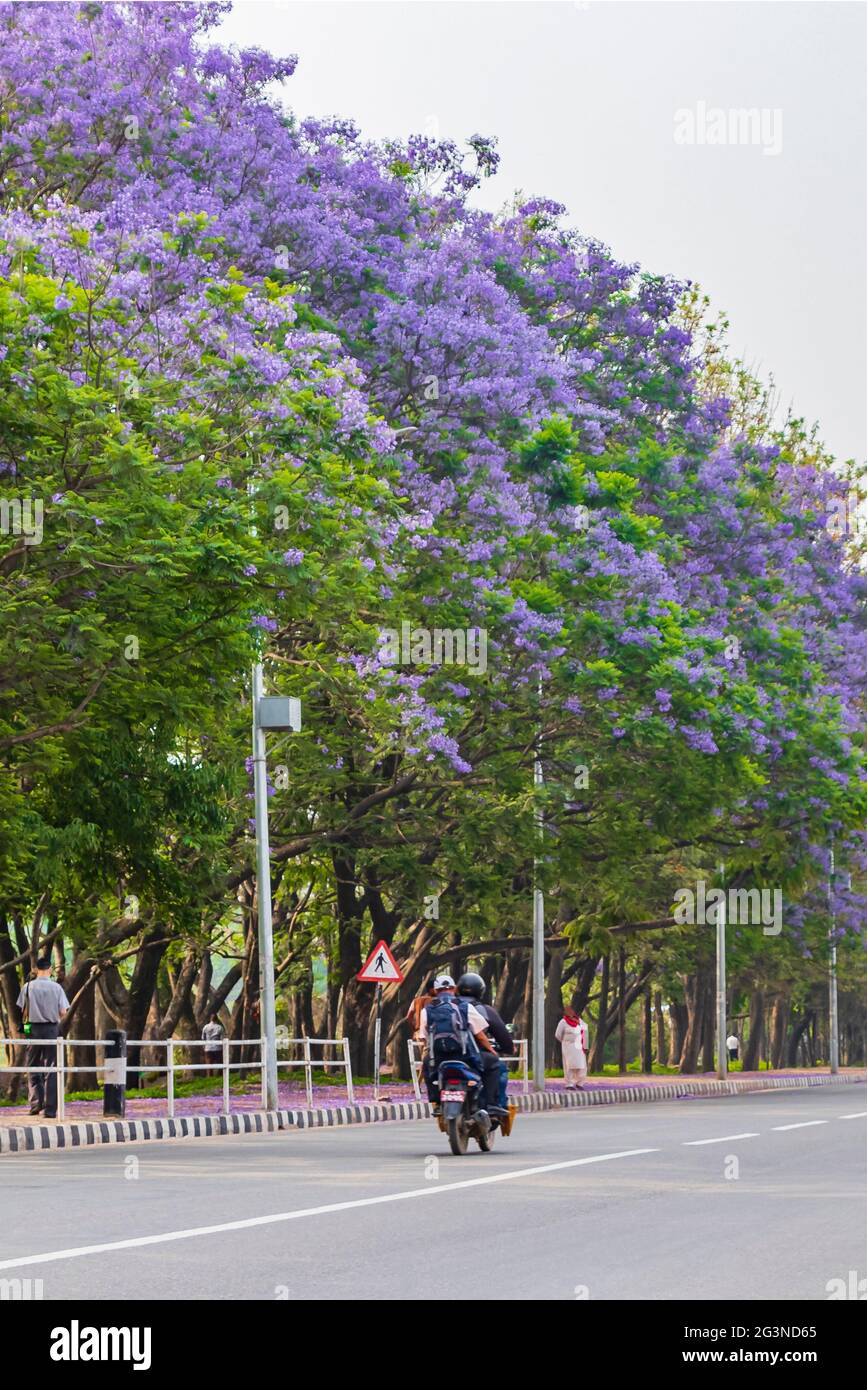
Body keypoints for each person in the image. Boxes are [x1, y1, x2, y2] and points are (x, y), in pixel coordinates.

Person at [418, 974, 505, 1117]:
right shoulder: (465, 1007)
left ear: (435, 990)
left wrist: (430, 1055)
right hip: (465, 1057)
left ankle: (437, 1103)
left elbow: (424, 1038)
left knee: (426, 1065)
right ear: (454, 989)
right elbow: (480, 1035)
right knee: (493, 1064)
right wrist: (491, 1051)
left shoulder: (426, 1010)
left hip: (439, 1059)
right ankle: (491, 1104)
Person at [17, 956, 69, 1118]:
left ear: (36, 969)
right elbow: (63, 1011)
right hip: (52, 1029)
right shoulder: (57, 988)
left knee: (33, 1065)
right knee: (52, 1068)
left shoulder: (27, 987)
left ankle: (35, 1104)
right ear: (50, 969)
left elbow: (22, 1010)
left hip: (32, 1029)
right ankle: (50, 1110)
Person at [456, 972, 513, 1110]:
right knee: (498, 1067)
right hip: (473, 1056)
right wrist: (507, 1048)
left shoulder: (447, 1007)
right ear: (481, 991)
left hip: (445, 1055)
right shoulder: (483, 1010)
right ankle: (494, 1104)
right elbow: (501, 1035)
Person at [555, 1005, 589, 1089]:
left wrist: (585, 1045)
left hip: (579, 1046)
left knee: (581, 1065)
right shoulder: (563, 1022)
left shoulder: (580, 1021)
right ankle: (569, 1084)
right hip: (568, 1046)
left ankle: (579, 1083)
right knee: (569, 1065)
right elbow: (558, 1035)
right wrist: (567, 1041)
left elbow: (585, 1032)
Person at [202, 1013, 224, 1077]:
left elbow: (203, 1038)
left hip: (208, 1048)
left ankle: (209, 1076)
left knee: (209, 1063)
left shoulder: (205, 1027)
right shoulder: (220, 1027)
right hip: (217, 1048)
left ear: (210, 1019)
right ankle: (220, 1076)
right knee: (220, 1063)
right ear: (217, 1019)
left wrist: (204, 1046)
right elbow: (222, 1038)